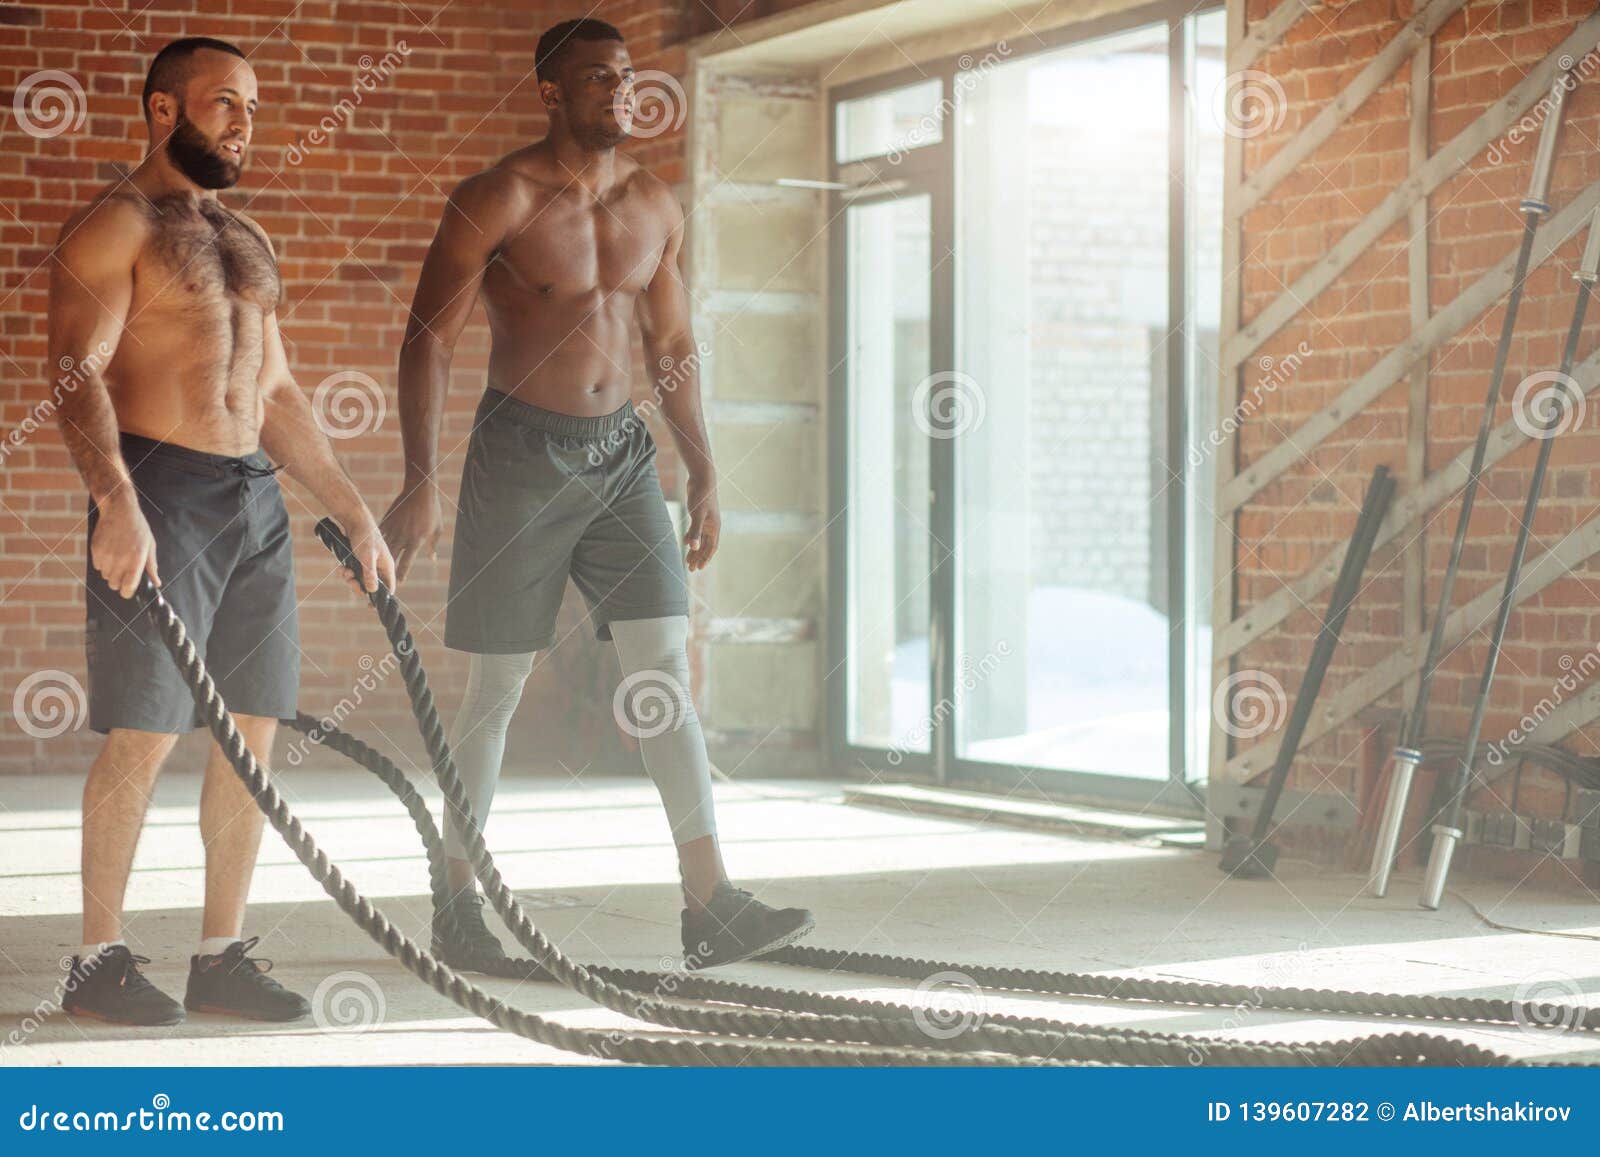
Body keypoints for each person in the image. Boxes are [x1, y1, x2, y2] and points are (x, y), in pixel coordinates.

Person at [380, 18, 813, 976]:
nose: (619, 93)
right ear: (549, 90)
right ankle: (457, 902)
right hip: (521, 456)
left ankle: (712, 903)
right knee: (496, 691)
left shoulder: (655, 203)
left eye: (626, 78)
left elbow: (672, 348)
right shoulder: (495, 197)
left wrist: (701, 466)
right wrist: (421, 480)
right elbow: (430, 339)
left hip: (624, 456)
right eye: (596, 79)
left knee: (662, 677)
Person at [47, 36, 396, 1025]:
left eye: (251, 105)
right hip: (159, 490)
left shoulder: (245, 238)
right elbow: (74, 374)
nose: (244, 122)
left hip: (254, 500)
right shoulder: (113, 228)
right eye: (222, 103)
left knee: (252, 734)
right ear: (163, 110)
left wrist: (348, 500)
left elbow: (275, 389)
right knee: (145, 732)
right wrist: (116, 496)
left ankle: (219, 952)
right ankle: (96, 960)